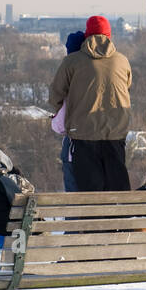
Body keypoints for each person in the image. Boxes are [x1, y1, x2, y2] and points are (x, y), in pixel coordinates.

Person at [49, 16, 132, 191]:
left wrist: (67, 110)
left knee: (89, 192)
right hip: (115, 134)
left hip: (82, 134)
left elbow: (55, 95)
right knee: (117, 191)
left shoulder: (72, 61)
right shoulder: (122, 61)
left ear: (87, 35)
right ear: (109, 35)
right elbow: (127, 87)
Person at [58, 31, 85, 192]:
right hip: (101, 143)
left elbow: (59, 125)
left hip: (73, 146)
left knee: (73, 194)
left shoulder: (68, 74)